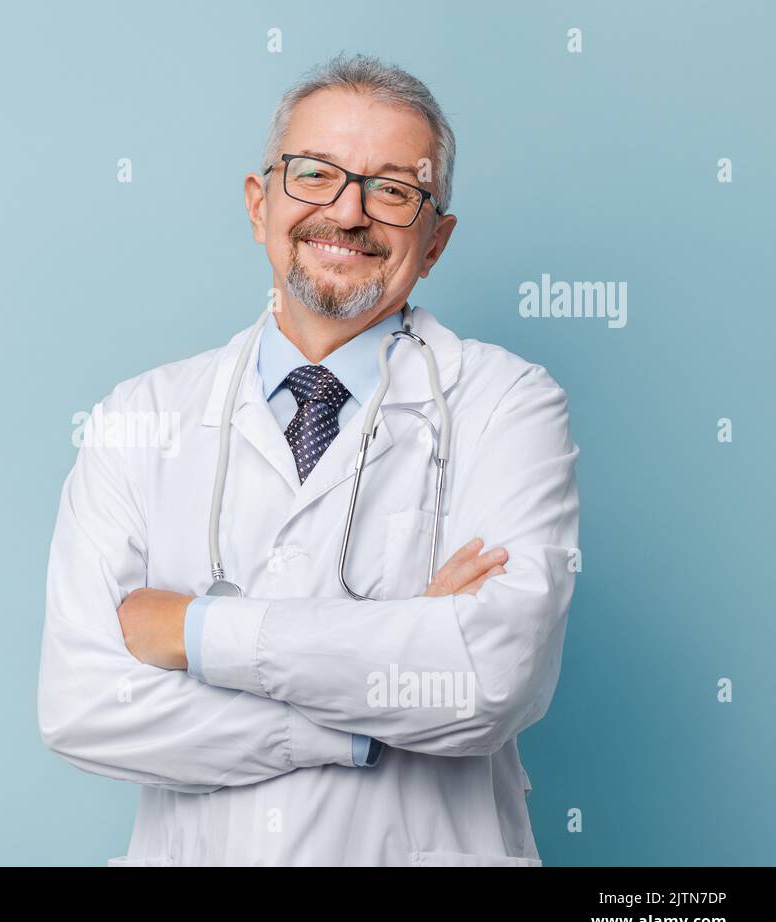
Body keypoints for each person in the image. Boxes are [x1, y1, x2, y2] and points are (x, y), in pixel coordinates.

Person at [37, 52, 580, 866]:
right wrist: (375, 696)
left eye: (395, 190)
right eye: (315, 174)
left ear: (434, 241)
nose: (348, 212)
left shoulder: (506, 403)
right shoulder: (139, 417)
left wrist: (191, 630)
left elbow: (485, 682)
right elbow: (84, 706)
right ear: (260, 205)